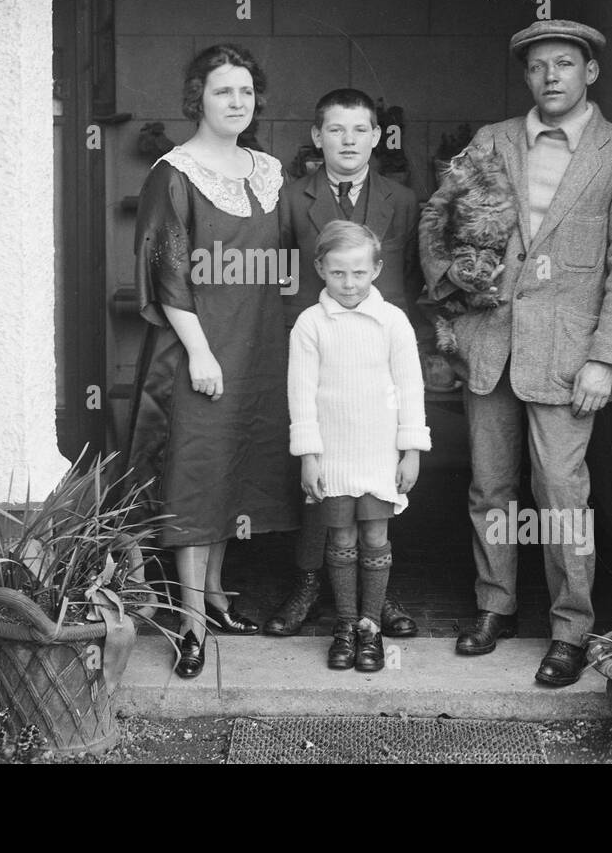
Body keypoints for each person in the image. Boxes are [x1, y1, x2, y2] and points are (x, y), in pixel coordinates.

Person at [420, 19, 612, 687]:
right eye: (537, 66)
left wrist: (607, 358)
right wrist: (456, 306)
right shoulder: (492, 142)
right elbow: (438, 225)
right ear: (525, 77)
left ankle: (570, 628)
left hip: (569, 357)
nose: (549, 76)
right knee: (489, 485)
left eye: (563, 64)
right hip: (490, 346)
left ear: (591, 73)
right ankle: (494, 606)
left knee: (560, 493)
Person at [125, 43, 297, 680]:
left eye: (247, 92)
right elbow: (168, 273)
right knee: (197, 477)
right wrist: (199, 352)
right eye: (224, 91)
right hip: (197, 348)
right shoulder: (174, 172)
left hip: (256, 346)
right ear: (196, 96)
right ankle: (190, 620)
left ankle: (219, 595)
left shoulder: (268, 170)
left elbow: (285, 262)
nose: (237, 103)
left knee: (233, 470)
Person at [263, 88, 425, 639]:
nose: (348, 140)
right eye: (336, 130)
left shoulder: (402, 199)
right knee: (318, 481)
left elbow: (411, 280)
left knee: (379, 487)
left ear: (377, 137)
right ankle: (310, 583)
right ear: (317, 137)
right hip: (317, 350)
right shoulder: (291, 198)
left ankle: (377, 601)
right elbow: (277, 280)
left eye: (360, 130)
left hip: (378, 354)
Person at [288, 221, 431, 671]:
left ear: (377, 269)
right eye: (337, 274)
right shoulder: (310, 324)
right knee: (341, 537)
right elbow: (301, 394)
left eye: (358, 273)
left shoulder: (393, 322)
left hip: (378, 452)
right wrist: (309, 456)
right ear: (319, 270)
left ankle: (372, 626)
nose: (349, 284)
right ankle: (346, 625)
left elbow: (411, 389)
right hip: (334, 454)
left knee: (375, 535)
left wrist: (411, 449)